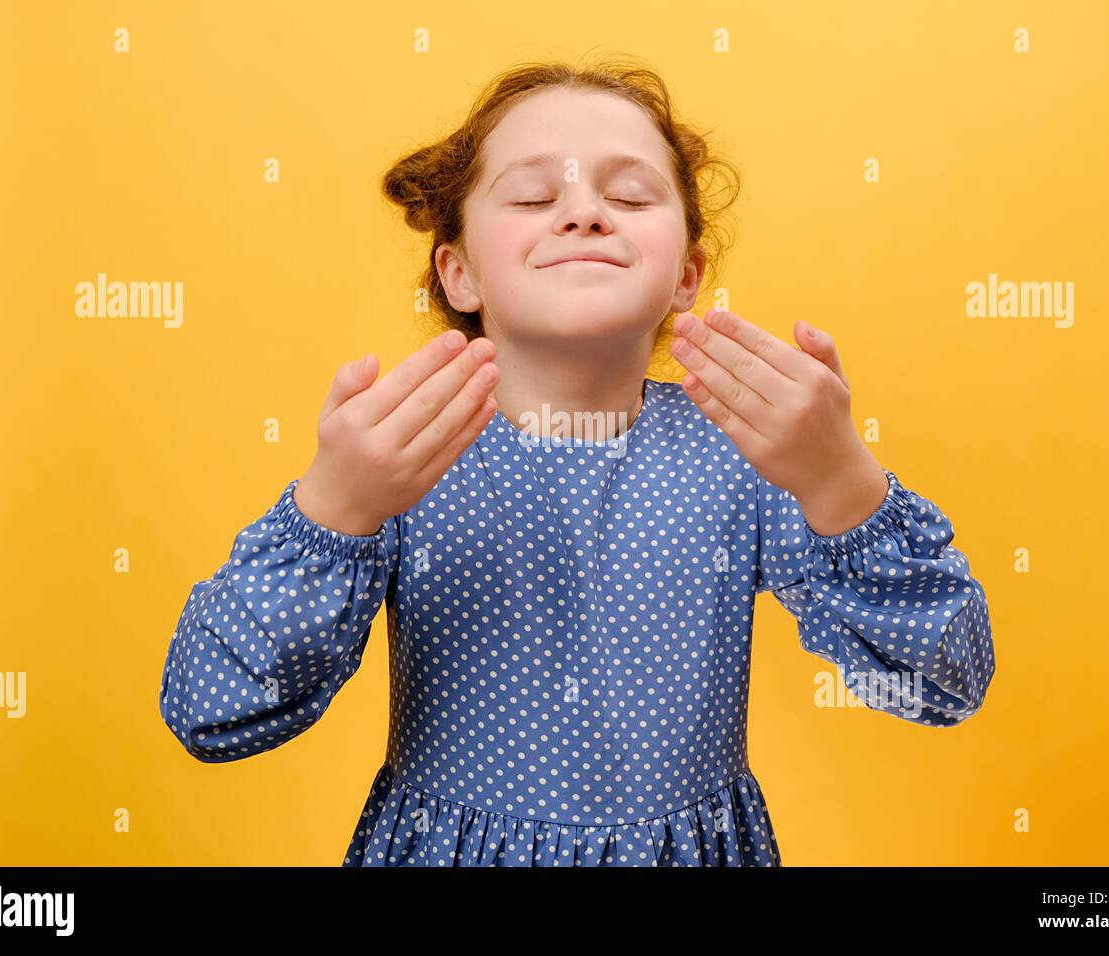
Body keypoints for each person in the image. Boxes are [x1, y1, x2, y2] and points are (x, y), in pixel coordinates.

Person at [158, 56, 995, 866]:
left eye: (629, 195)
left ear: (687, 277)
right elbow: (212, 712)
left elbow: (944, 685)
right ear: (459, 273)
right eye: (531, 195)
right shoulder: (397, 458)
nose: (585, 213)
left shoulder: (747, 458)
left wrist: (840, 483)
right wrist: (333, 512)